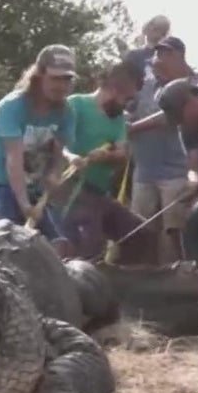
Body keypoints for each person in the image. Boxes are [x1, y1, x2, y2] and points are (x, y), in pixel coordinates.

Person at [0, 44, 78, 255]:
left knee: (57, 242)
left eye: (66, 79)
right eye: (55, 78)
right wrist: (23, 203)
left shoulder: (66, 112)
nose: (61, 85)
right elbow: (13, 159)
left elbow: (58, 154)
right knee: (7, 239)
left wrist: (54, 174)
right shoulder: (12, 106)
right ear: (39, 75)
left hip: (34, 188)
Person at [59, 60, 158, 262]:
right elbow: (56, 144)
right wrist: (72, 157)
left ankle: (127, 281)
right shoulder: (75, 105)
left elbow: (122, 155)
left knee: (142, 234)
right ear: (114, 88)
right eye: (127, 98)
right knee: (91, 247)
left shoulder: (118, 119)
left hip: (99, 194)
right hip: (72, 191)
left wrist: (106, 156)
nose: (128, 105)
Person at [123, 36, 197, 263]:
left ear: (179, 58)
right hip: (144, 171)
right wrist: (124, 116)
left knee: (172, 236)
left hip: (175, 172)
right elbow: (127, 106)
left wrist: (133, 127)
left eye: (166, 54)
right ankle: (145, 285)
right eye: (157, 54)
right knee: (141, 230)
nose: (158, 59)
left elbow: (170, 116)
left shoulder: (191, 85)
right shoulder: (145, 86)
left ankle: (175, 285)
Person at [155, 78, 198, 276]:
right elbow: (193, 164)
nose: (179, 123)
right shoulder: (187, 128)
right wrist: (193, 184)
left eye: (179, 116)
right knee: (193, 222)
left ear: (192, 101)